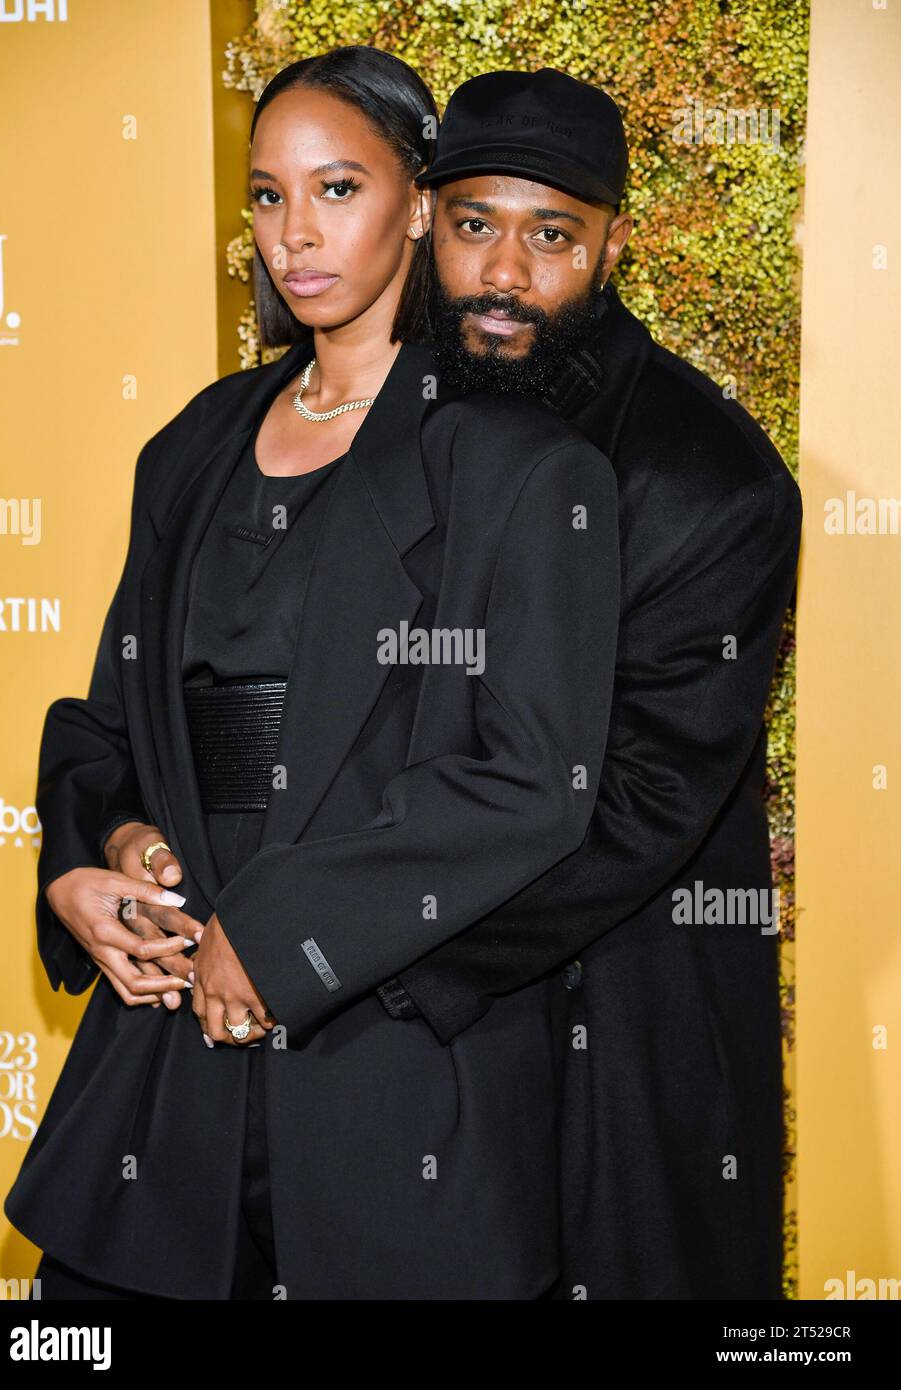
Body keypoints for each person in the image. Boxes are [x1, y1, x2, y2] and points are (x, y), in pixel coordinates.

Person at [4, 48, 620, 1300]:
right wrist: (94, 850)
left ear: (417, 201)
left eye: (337, 189)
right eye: (268, 196)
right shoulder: (190, 446)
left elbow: (530, 785)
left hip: (389, 1072)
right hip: (165, 1069)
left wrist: (282, 937)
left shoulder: (518, 471)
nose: (295, 234)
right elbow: (105, 716)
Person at [386, 68, 800, 1299]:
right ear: (427, 224)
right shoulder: (362, 416)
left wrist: (354, 959)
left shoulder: (707, 476)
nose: (503, 275)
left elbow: (633, 808)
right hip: (401, 1004)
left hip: (614, 1009)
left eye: (550, 235)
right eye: (475, 226)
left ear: (611, 244)